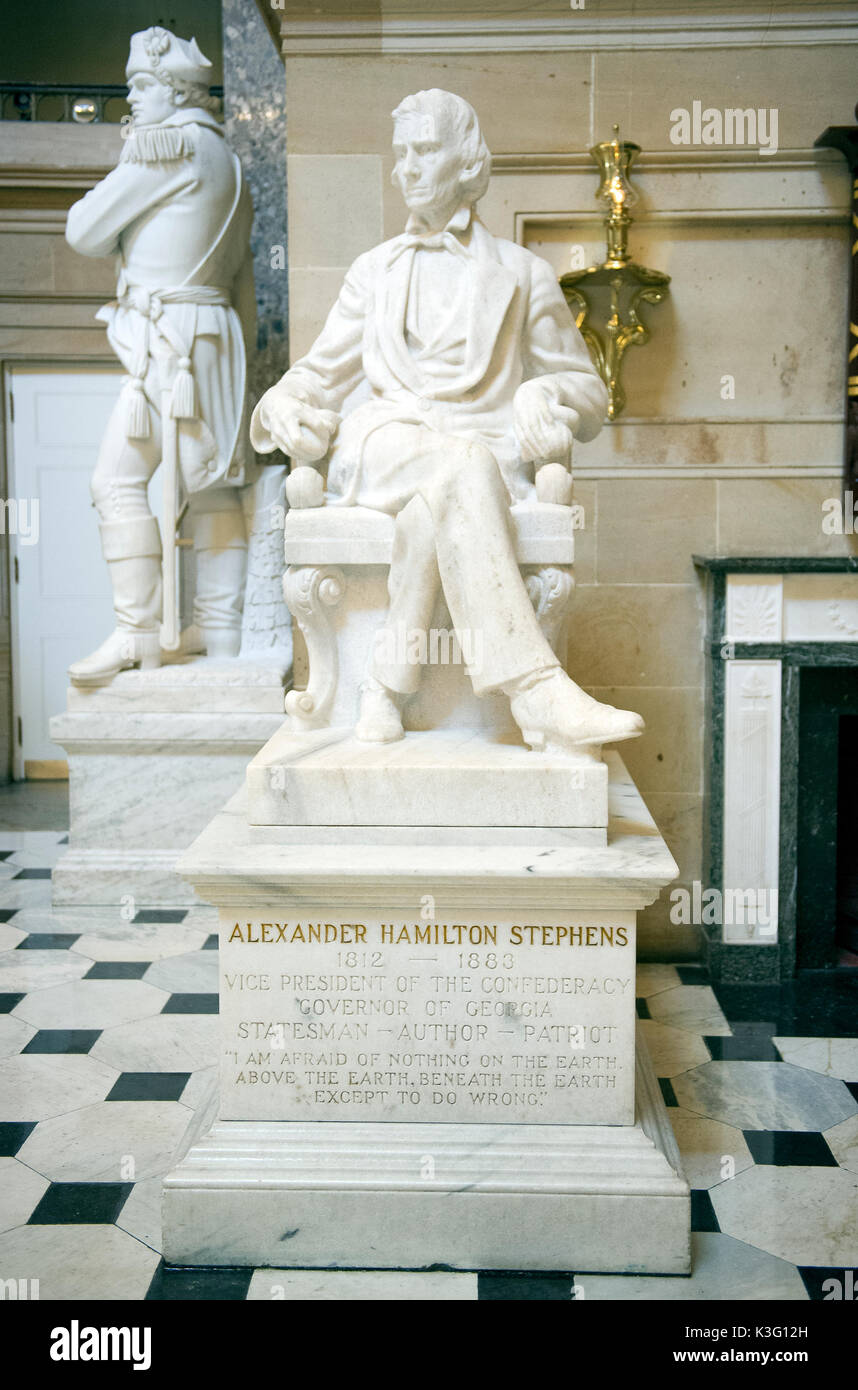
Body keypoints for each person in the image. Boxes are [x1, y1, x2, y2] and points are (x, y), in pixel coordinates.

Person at [251, 88, 643, 752]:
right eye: (401, 153)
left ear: (469, 164)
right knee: (462, 467)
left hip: (470, 460)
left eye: (425, 150)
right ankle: (536, 689)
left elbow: (588, 394)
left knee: (439, 502)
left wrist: (542, 397)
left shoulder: (524, 276)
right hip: (384, 446)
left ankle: (384, 685)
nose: (406, 167)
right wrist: (280, 406)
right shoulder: (372, 273)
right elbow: (314, 376)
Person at [65, 26, 257, 683]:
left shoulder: (163, 148)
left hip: (167, 344)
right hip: (215, 337)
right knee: (213, 491)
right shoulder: (229, 162)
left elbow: (83, 229)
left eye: (142, 86)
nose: (131, 102)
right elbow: (244, 283)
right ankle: (224, 640)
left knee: (115, 482)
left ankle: (136, 633)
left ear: (177, 92)